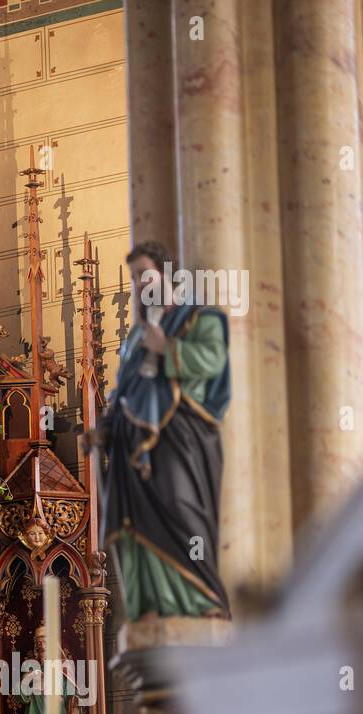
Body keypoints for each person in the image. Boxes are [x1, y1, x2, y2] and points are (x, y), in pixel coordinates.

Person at [94, 241, 232, 622]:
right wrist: (105, 425)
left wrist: (169, 349)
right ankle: (152, 605)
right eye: (134, 277)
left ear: (168, 274)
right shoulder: (137, 337)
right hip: (132, 443)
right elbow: (124, 390)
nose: (138, 284)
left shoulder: (201, 319)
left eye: (144, 274)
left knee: (182, 508)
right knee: (135, 524)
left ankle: (203, 597)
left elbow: (212, 359)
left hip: (181, 437)